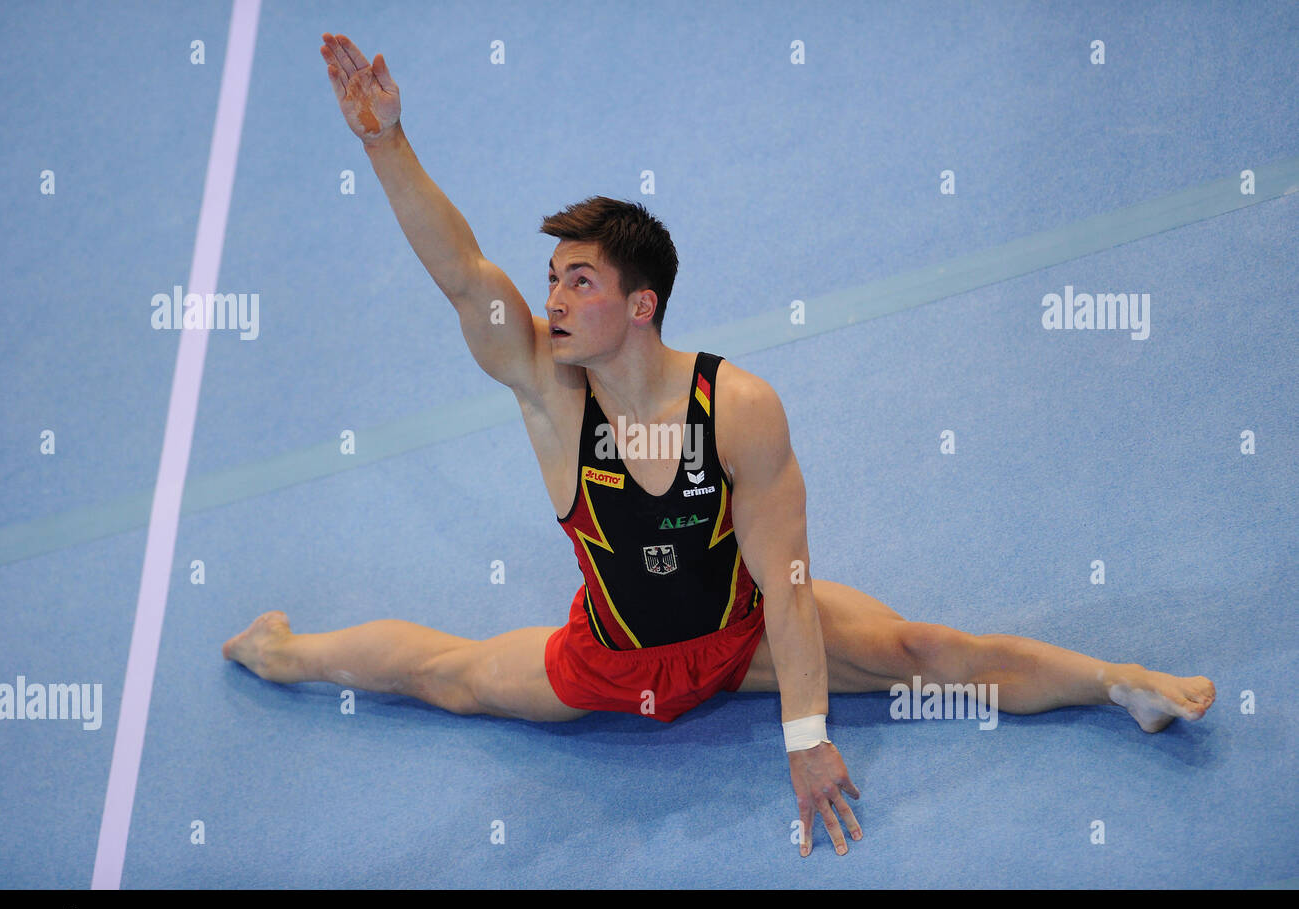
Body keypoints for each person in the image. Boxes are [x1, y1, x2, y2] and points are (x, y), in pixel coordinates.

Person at [224, 33, 1217, 858]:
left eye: (580, 282)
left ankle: (1117, 681)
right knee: (447, 676)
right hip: (611, 659)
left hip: (743, 640)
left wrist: (806, 735)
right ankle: (285, 649)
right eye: (553, 279)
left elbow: (785, 583)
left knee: (924, 649)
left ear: (640, 304)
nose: (554, 299)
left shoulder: (737, 406)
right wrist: (388, 141)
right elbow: (461, 272)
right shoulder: (550, 392)